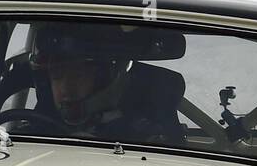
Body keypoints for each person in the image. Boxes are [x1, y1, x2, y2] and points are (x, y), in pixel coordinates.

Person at [27, 23, 185, 145]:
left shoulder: (144, 135)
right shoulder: (34, 130)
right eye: (56, 77)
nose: (66, 88)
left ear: (108, 79)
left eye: (79, 76)